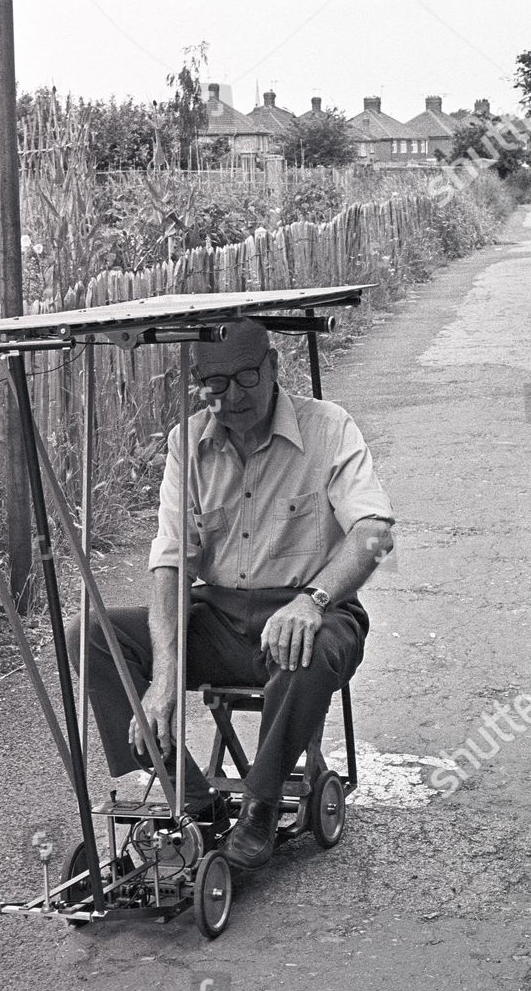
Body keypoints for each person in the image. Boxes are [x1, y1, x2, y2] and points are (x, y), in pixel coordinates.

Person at [76, 318, 394, 871]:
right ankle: (190, 798)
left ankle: (261, 806)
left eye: (246, 376)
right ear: (198, 384)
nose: (232, 397)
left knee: (309, 650)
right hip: (221, 618)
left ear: (274, 367)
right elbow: (172, 561)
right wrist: (165, 676)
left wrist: (312, 601)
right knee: (92, 636)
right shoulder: (187, 441)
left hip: (315, 610)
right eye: (214, 384)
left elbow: (373, 533)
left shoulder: (328, 428)